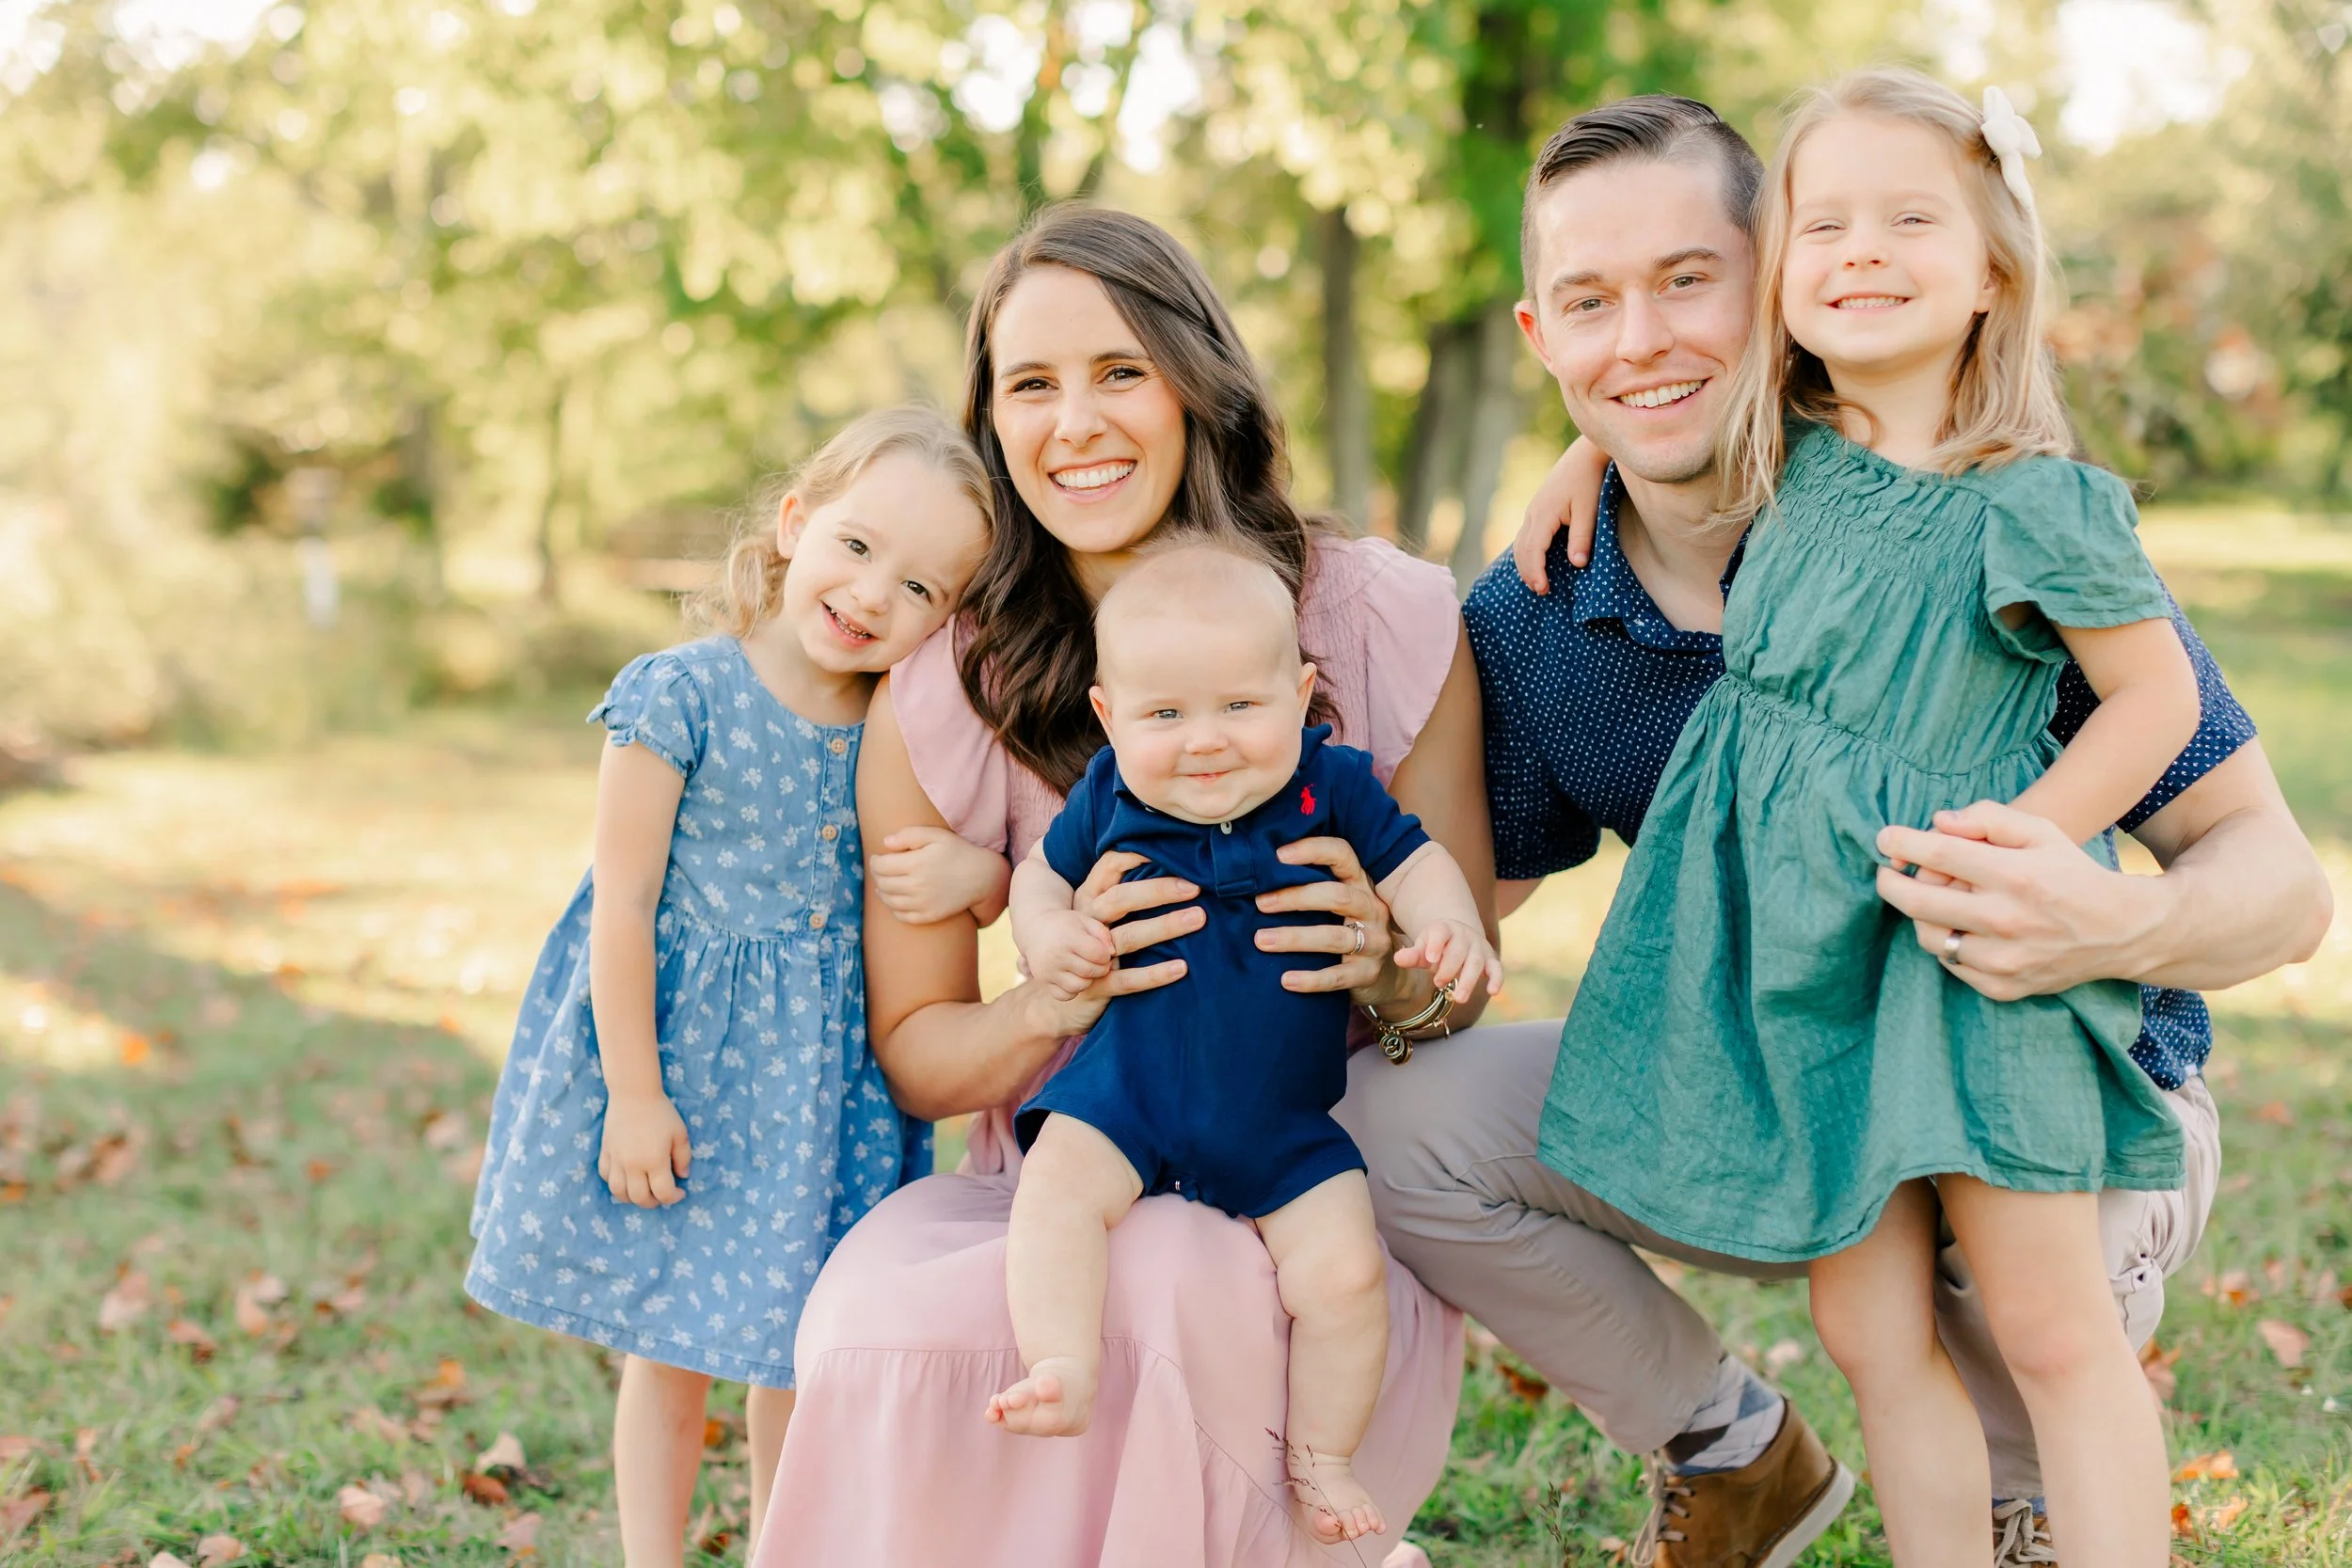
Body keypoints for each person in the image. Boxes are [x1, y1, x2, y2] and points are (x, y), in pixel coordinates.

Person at [1342, 93, 2331, 1568]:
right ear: (1542, 339)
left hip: (2025, 1058)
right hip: (1786, 1070)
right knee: (1393, 1116)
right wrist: (1362, 925)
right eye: (1592, 305)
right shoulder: (1539, 611)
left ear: (1771, 280)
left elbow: (2283, 881)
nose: (1645, 342)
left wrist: (2098, 907)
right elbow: (1454, 932)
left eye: (1688, 281)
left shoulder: (1990, 513)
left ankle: (2036, 1492)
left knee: (2037, 1375)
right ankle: (1736, 1449)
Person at [753, 206, 1494, 1568]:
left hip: (1298, 1178)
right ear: (991, 420)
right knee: (860, 1311)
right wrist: (1053, 987)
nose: (1074, 421)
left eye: (1117, 370)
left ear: (1196, 379)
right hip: (1063, 1170)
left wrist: (1384, 962)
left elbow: (1453, 988)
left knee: (1177, 1273)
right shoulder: (945, 680)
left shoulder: (1378, 618)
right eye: (1030, 383)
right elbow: (921, 1055)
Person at [1543, 68, 2200, 1563]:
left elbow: (2152, 704)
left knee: (2046, 1317)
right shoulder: (1792, 436)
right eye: (1820, 222)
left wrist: (2028, 842)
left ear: (1993, 271)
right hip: (1811, 952)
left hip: (1960, 942)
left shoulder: (2039, 497)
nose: (1859, 251)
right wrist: (1577, 452)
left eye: (1911, 218)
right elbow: (1649, 407)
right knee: (1866, 1321)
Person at [463, 408, 994, 1568]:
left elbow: (956, 887)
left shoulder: (902, 729)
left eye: (919, 588)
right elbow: (622, 903)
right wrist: (634, 1091)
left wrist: (984, 873)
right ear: (795, 523)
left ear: (947, 619)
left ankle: (780, 1547)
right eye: (855, 546)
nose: (869, 595)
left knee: (804, 1341)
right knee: (673, 1340)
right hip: (691, 1065)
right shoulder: (679, 694)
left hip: (821, 1083)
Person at [991, 543, 1503, 1546]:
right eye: (1165, 715)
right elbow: (1037, 883)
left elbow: (1419, 862)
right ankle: (1061, 1363)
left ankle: (1320, 1453)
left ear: (1302, 692)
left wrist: (1447, 925)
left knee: (1347, 1276)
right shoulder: (1109, 796)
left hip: (1280, 1121)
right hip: (1122, 1095)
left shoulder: (1332, 787)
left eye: (1239, 705)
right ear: (1109, 717)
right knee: (1055, 1195)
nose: (1205, 742)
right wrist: (1047, 933)